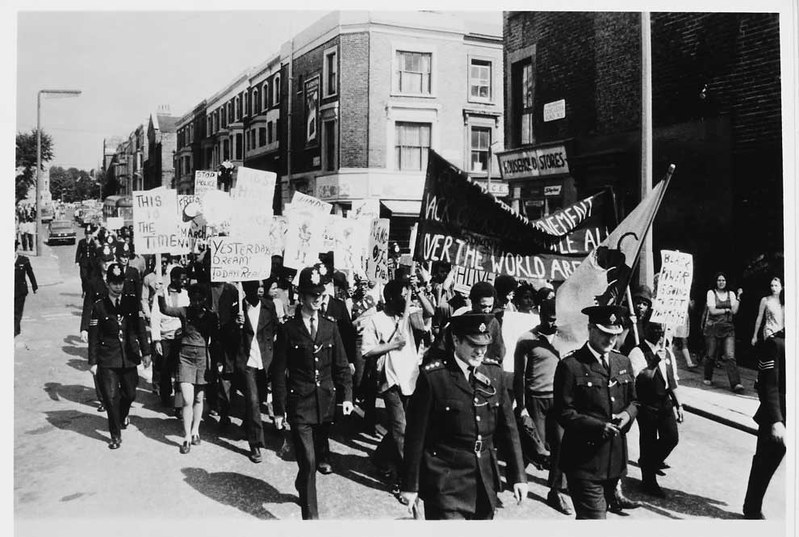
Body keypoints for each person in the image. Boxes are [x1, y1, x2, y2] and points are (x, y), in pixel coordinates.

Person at [400, 313, 527, 520]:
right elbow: (416, 436)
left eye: (484, 345)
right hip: (445, 482)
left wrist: (518, 476)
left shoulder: (494, 374)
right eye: (473, 344)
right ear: (456, 340)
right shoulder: (434, 378)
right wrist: (410, 486)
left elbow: (509, 429)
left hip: (484, 482)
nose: (480, 351)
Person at [272, 265, 354, 520]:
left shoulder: (331, 327)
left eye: (320, 293)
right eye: (312, 294)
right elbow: (278, 373)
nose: (318, 298)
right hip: (300, 404)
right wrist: (278, 409)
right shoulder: (288, 329)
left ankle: (302, 482)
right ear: (301, 297)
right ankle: (312, 520)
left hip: (325, 404)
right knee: (308, 460)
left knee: (313, 459)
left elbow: (341, 365)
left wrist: (348, 396)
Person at [553, 305, 640, 519]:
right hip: (584, 463)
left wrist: (627, 415)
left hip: (615, 463)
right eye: (605, 333)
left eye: (615, 334)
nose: (611, 340)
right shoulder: (571, 366)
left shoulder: (622, 361)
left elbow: (635, 401)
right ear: (591, 329)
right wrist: (598, 426)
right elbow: (564, 412)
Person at [513, 298, 572, 515]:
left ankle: (556, 490)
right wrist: (521, 406)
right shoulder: (526, 340)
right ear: (539, 314)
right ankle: (516, 473)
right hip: (535, 399)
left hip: (558, 400)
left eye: (556, 320)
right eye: (549, 320)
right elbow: (519, 376)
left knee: (561, 445)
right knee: (535, 447)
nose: (553, 324)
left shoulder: (566, 339)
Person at [362, 279, 419, 495]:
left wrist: (419, 287)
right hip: (390, 380)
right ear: (392, 298)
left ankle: (380, 458)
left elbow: (431, 312)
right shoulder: (376, 320)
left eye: (408, 294)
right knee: (402, 430)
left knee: (401, 427)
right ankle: (405, 480)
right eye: (403, 295)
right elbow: (367, 351)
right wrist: (393, 345)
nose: (407, 298)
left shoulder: (410, 314)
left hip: (410, 378)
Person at [87, 263, 151, 449]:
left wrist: (146, 352)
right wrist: (92, 361)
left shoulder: (132, 302)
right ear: (108, 283)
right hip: (108, 358)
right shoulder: (99, 306)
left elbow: (140, 328)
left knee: (130, 394)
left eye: (120, 282)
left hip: (129, 356)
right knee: (111, 397)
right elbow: (93, 336)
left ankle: (122, 416)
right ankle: (115, 435)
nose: (118, 286)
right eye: (114, 283)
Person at [156, 282, 219, 454]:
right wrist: (161, 293)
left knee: (199, 399)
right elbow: (165, 309)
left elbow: (217, 340)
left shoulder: (211, 316)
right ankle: (186, 437)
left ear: (204, 299)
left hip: (202, 359)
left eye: (199, 300)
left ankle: (195, 431)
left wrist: (215, 363)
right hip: (185, 358)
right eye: (193, 299)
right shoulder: (184, 311)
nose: (196, 303)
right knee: (187, 399)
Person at [628, 321, 684, 498]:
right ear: (645, 330)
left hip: (665, 402)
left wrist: (679, 404)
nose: (658, 332)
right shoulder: (637, 352)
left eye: (661, 329)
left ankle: (649, 462)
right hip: (647, 403)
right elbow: (639, 380)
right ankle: (648, 481)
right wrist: (653, 363)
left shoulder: (667, 352)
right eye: (653, 328)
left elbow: (672, 380)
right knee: (648, 440)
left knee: (671, 438)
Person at [743, 327, 785, 519]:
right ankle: (752, 506)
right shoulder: (775, 343)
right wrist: (776, 420)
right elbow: (768, 385)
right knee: (766, 459)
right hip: (777, 412)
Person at [235, 279, 279, 464]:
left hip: (265, 360)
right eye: (255, 287)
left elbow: (275, 329)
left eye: (262, 286)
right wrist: (236, 324)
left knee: (259, 398)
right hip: (247, 361)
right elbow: (227, 334)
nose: (260, 290)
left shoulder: (269, 306)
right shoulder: (237, 308)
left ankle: (249, 422)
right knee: (252, 400)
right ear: (246, 289)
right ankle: (255, 444)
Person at [150, 267, 189, 407]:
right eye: (182, 279)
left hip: (181, 337)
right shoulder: (160, 295)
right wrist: (157, 340)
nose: (184, 281)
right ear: (173, 279)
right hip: (165, 336)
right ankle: (165, 395)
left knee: (180, 370)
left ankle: (179, 403)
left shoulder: (186, 294)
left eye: (186, 278)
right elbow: (155, 318)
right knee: (165, 368)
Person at [702, 272, 744, 393]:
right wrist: (726, 309)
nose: (721, 282)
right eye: (719, 280)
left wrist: (738, 297)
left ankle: (736, 383)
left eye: (723, 280)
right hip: (713, 327)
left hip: (728, 328)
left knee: (730, 356)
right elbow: (712, 310)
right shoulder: (711, 293)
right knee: (710, 354)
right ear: (716, 281)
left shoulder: (731, 294)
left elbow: (735, 311)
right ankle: (707, 376)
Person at [751, 276, 785, 350]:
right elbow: (759, 317)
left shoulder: (785, 301)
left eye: (776, 285)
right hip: (770, 332)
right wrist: (755, 335)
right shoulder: (765, 300)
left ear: (782, 287)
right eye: (772, 285)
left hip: (782, 332)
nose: (773, 288)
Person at [619, 284, 653, 356]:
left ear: (648, 308)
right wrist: (628, 325)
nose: (641, 306)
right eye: (638, 303)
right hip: (626, 356)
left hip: (641, 358)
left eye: (644, 304)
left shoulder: (648, 323)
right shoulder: (624, 318)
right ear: (633, 303)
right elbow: (618, 344)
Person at [14, 239, 38, 337]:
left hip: (20, 291)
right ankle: (16, 328)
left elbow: (30, 273)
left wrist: (34, 286)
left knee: (17, 311)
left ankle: (14, 330)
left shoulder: (24, 260)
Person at [75, 225, 94, 297]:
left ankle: (90, 291)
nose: (88, 235)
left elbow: (96, 252)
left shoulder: (93, 242)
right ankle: (84, 291)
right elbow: (78, 252)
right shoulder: (81, 242)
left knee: (91, 278)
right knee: (84, 277)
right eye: (87, 234)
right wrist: (77, 261)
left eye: (89, 234)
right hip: (83, 263)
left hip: (92, 263)